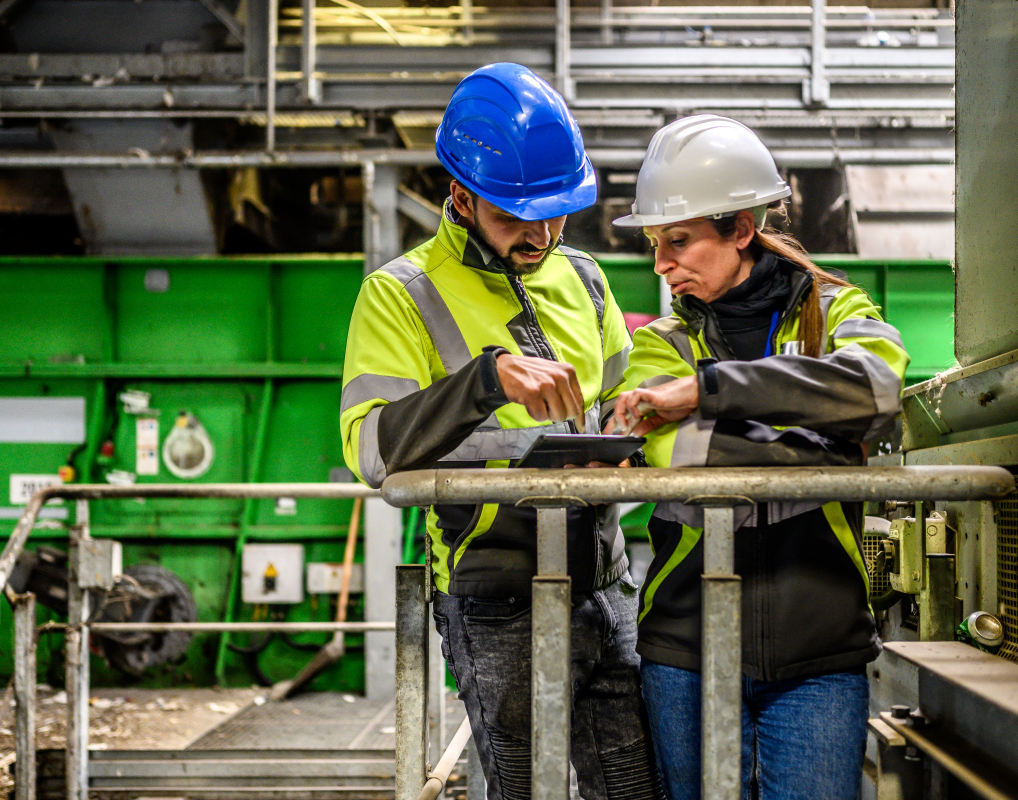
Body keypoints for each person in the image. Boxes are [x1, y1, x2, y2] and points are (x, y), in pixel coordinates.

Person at [340, 63, 662, 800]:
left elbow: (623, 401)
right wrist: (485, 381)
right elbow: (369, 448)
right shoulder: (399, 296)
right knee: (520, 790)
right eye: (517, 215)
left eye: (557, 212)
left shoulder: (583, 279)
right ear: (459, 195)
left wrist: (629, 430)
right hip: (494, 599)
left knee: (634, 788)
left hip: (605, 582)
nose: (542, 233)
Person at [606, 115, 909, 800]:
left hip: (819, 651)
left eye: (677, 241)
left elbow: (877, 391)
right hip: (687, 648)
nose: (661, 264)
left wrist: (711, 391)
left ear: (740, 228)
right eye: (656, 244)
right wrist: (821, 442)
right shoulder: (660, 345)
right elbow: (670, 453)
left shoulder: (836, 309)